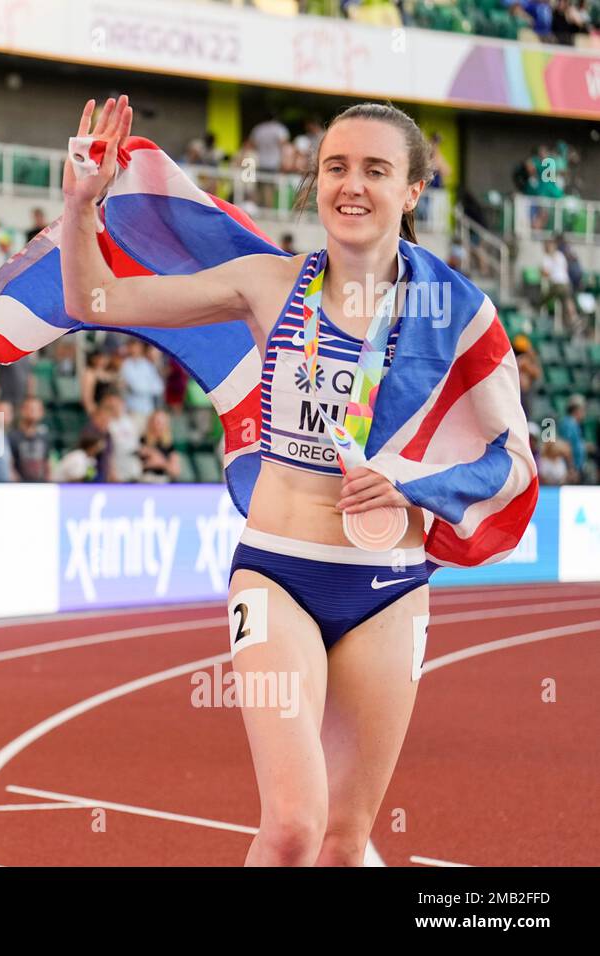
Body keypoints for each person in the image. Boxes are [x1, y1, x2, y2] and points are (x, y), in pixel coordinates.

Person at [59, 95, 533, 865]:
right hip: (277, 572)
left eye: (376, 170)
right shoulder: (267, 284)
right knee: (290, 830)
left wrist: (412, 484)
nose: (351, 184)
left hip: (389, 587)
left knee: (344, 846)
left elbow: (512, 462)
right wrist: (84, 206)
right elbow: (93, 300)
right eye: (335, 167)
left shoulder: (457, 313)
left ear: (413, 191)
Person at [9, 395, 52, 482]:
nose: (33, 412)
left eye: (37, 409)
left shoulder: (44, 436)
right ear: (22, 411)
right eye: (30, 408)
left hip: (41, 485)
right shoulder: (12, 437)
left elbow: (47, 463)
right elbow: (9, 465)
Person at [138, 408, 182, 482]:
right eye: (155, 421)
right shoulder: (141, 440)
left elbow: (176, 471)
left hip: (163, 481)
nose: (157, 425)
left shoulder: (169, 445)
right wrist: (166, 463)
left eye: (161, 422)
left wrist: (160, 462)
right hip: (145, 480)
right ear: (150, 422)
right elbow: (138, 466)